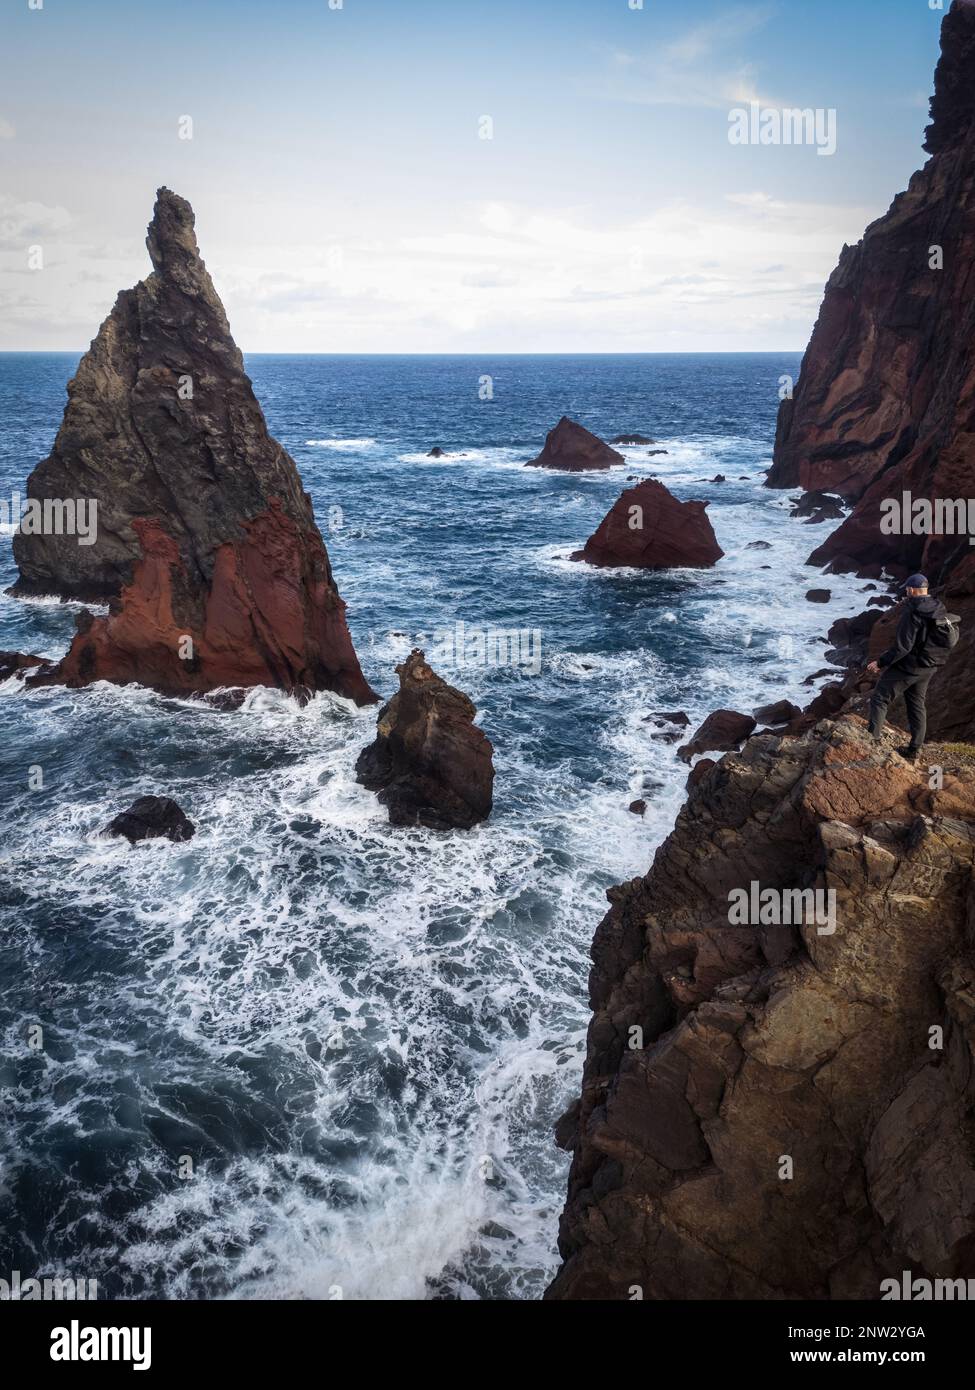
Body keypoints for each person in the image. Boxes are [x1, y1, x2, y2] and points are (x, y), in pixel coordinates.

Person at [866, 573, 950, 760]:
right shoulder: (938, 607)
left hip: (909, 667)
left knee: (880, 698)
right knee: (917, 705)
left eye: (907, 589)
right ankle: (915, 749)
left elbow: (903, 647)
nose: (906, 592)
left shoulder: (913, 611)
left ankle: (871, 743)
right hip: (929, 665)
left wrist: (880, 662)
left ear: (912, 590)